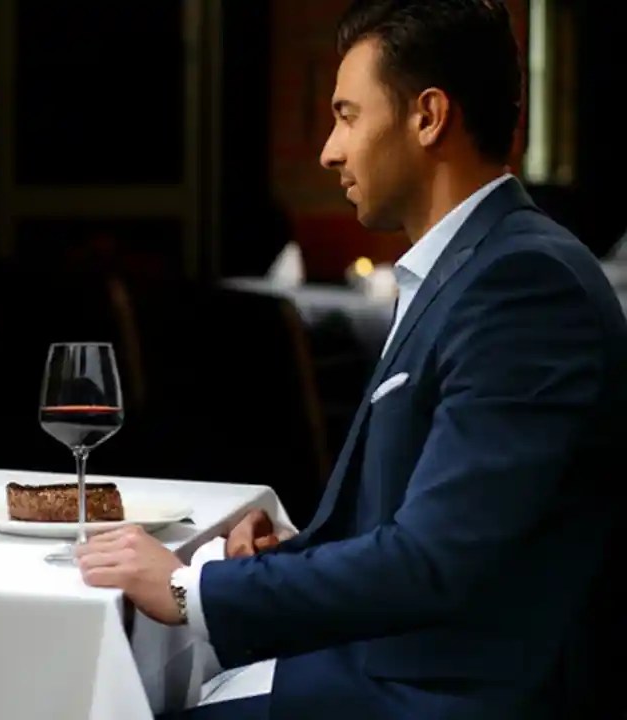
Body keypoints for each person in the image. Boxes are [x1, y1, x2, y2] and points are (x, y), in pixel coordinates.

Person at [77, 1, 627, 718]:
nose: (329, 152)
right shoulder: (471, 266)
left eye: (347, 116)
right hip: (386, 661)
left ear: (428, 117)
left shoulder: (523, 285)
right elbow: (439, 520)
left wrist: (190, 590)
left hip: (440, 693)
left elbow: (433, 563)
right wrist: (290, 554)